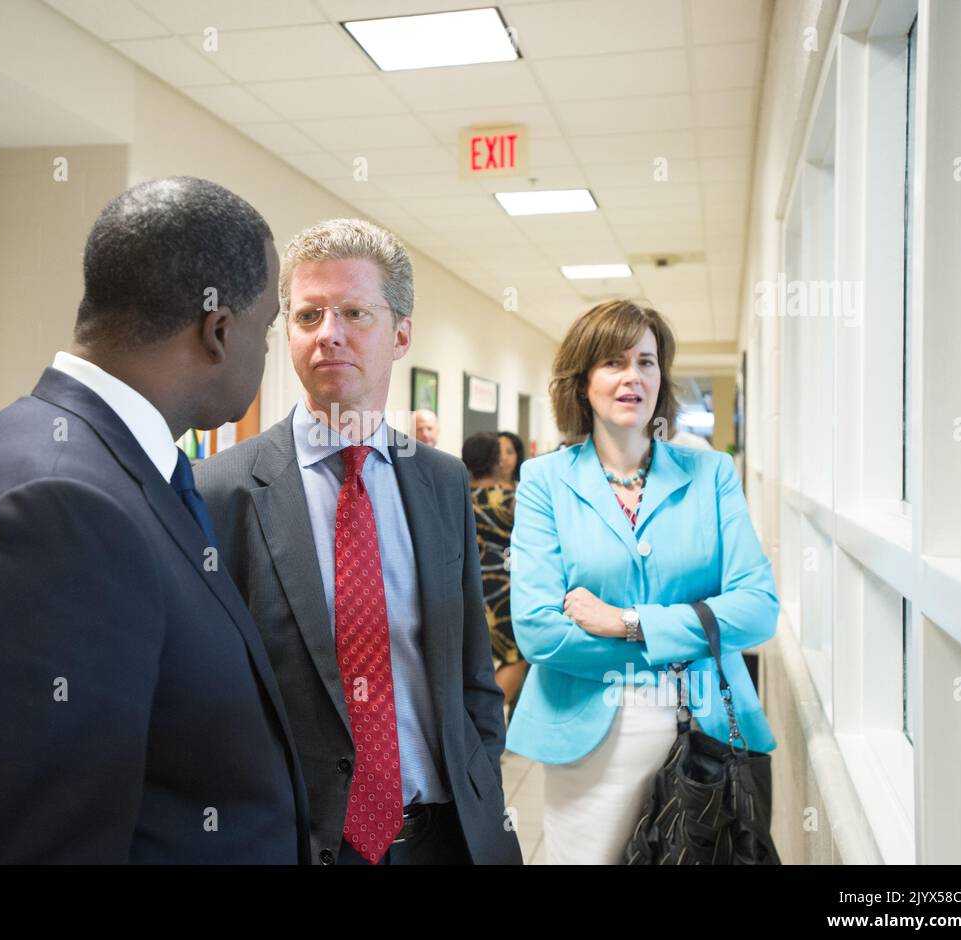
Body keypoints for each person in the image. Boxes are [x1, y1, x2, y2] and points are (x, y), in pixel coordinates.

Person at [0, 177, 309, 864]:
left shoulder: (93, 461)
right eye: (268, 327)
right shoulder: (56, 511)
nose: (267, 351)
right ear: (219, 330)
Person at [197, 218, 521, 866]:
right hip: (302, 843)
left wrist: (481, 780)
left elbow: (473, 676)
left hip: (445, 837)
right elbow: (210, 698)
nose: (329, 334)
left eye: (353, 312)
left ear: (401, 333)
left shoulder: (440, 480)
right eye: (309, 314)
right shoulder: (221, 489)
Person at [507, 299, 779, 865]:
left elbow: (758, 609)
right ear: (583, 382)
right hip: (587, 743)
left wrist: (629, 623)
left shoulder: (712, 473)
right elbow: (538, 632)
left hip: (708, 734)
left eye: (647, 361)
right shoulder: (544, 481)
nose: (633, 376)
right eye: (612, 362)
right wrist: (687, 638)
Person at [461, 432, 527, 719]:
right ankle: (485, 718)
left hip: (464, 583)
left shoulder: (455, 492)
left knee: (473, 658)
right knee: (516, 655)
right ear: (496, 460)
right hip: (503, 585)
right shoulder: (513, 497)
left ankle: (472, 719)